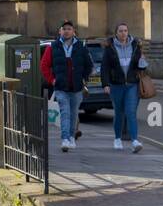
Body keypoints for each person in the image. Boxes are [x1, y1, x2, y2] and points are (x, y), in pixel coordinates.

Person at [42, 20, 94, 152]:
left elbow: (89, 65)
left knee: (73, 114)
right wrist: (52, 80)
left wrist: (84, 79)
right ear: (60, 31)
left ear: (73, 31)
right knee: (65, 112)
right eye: (64, 29)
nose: (66, 31)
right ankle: (65, 139)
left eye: (69, 29)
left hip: (76, 87)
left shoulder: (81, 47)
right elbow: (44, 65)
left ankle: (71, 137)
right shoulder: (52, 47)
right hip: (61, 87)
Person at [101, 23, 147, 152]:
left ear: (128, 32)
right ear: (116, 33)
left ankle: (135, 141)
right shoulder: (110, 47)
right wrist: (105, 84)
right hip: (116, 85)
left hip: (132, 84)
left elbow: (141, 67)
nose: (123, 33)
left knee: (130, 112)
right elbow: (105, 67)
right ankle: (117, 139)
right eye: (120, 31)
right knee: (119, 113)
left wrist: (143, 61)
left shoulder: (135, 45)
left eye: (125, 31)